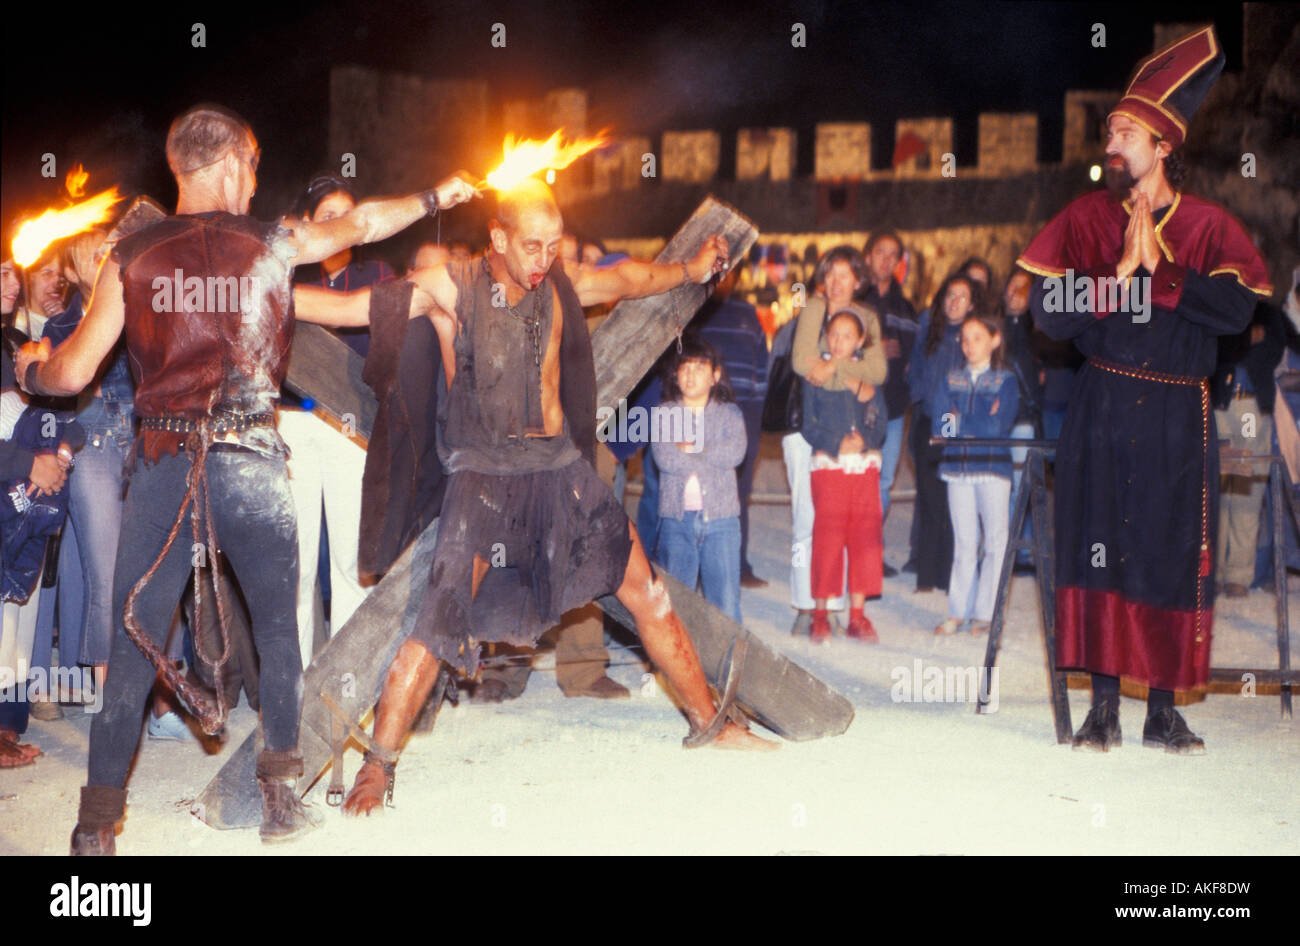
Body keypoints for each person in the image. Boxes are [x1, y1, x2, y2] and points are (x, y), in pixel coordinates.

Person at [18, 102, 480, 852]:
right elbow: (359, 226)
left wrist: (29, 365)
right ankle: (278, 800)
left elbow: (69, 372)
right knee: (277, 632)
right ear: (232, 161)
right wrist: (436, 196)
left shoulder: (130, 255)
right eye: (256, 163)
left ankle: (95, 829)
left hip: (164, 469)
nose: (257, 178)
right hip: (252, 465)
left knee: (134, 643)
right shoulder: (272, 241)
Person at [293, 177, 775, 817]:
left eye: (552, 244)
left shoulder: (560, 283)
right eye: (530, 246)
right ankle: (378, 766)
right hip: (483, 475)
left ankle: (711, 723)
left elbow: (629, 280)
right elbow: (351, 309)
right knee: (436, 617)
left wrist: (690, 267)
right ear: (497, 239)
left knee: (646, 588)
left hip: (558, 467)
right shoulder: (451, 286)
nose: (543, 258)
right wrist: (252, 286)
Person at [1018, 26, 1272, 754]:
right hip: (1102, 404)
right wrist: (1117, 277)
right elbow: (1047, 314)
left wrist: (1158, 272)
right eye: (1110, 130)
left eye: (1125, 131)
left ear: (1163, 146)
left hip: (1174, 411)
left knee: (1164, 551)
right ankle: (1103, 707)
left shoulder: (1207, 226)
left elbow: (1235, 311)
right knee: (1099, 544)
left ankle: (1163, 708)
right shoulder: (1086, 219)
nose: (1112, 141)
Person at [283, 174, 395, 668]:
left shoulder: (380, 276)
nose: (342, 227)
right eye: (329, 218)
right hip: (292, 425)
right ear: (305, 224)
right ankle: (294, 692)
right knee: (297, 566)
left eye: (351, 217)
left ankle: (347, 687)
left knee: (353, 562)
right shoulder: (280, 276)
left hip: (353, 430)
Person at [785, 246, 885, 635]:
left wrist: (833, 367)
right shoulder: (812, 309)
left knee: (856, 530)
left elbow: (876, 373)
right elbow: (801, 364)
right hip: (813, 430)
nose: (836, 282)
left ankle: (847, 610)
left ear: (858, 280)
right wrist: (848, 375)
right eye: (830, 274)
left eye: (844, 275)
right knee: (807, 521)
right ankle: (808, 607)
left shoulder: (869, 318)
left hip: (858, 444)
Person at [802, 309, 887, 643]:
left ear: (860, 341)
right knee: (828, 539)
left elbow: (879, 422)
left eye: (847, 336)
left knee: (865, 540)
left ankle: (857, 615)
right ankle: (820, 615)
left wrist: (865, 441)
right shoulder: (816, 374)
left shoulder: (870, 379)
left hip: (863, 469)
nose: (838, 342)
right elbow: (808, 426)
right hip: (830, 467)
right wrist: (838, 444)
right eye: (833, 334)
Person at [930, 313, 1018, 634]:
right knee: (965, 541)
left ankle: (986, 614)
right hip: (957, 468)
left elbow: (998, 426)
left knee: (995, 540)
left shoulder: (1006, 381)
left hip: (993, 467)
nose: (969, 346)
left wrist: (961, 419)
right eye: (965, 339)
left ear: (995, 340)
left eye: (977, 338)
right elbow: (941, 426)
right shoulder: (950, 379)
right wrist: (971, 420)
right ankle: (957, 611)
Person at [651, 336, 746, 622]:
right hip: (676, 521)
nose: (691, 374)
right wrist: (706, 451)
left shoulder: (730, 414)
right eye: (685, 367)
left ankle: (727, 665)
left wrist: (690, 446)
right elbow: (665, 458)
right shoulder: (664, 413)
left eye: (700, 367)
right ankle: (672, 664)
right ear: (675, 375)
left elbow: (734, 453)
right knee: (676, 602)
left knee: (725, 602)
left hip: (722, 520)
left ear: (715, 376)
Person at [692, 266, 769, 588]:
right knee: (697, 491)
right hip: (704, 410)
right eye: (718, 274)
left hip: (743, 412)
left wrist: (756, 413)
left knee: (739, 490)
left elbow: (762, 365)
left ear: (737, 278)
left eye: (730, 275)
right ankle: (695, 570)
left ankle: (738, 565)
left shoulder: (747, 312)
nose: (724, 281)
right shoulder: (693, 312)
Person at [908, 273, 980, 594]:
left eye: (962, 296)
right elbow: (915, 376)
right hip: (927, 422)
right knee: (929, 497)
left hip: (956, 426)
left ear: (971, 304)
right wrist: (921, 395)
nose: (954, 302)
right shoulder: (930, 334)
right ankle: (926, 575)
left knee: (956, 499)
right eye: (950, 295)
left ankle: (948, 574)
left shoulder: (972, 340)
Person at [1211, 299, 1285, 596]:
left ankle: (1238, 575)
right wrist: (1244, 339)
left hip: (1250, 409)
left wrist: (1236, 343)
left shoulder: (1268, 311)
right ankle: (1213, 572)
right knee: (1217, 489)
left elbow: (1271, 351)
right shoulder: (1217, 304)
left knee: (1247, 488)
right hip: (1219, 405)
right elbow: (1216, 350)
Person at [859, 231, 918, 537]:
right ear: (867, 255)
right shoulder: (854, 299)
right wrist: (871, 350)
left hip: (893, 408)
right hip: (855, 405)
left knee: (883, 480)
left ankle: (870, 551)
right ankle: (849, 553)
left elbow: (914, 355)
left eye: (892, 254)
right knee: (855, 476)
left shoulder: (906, 307)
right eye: (879, 251)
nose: (886, 259)